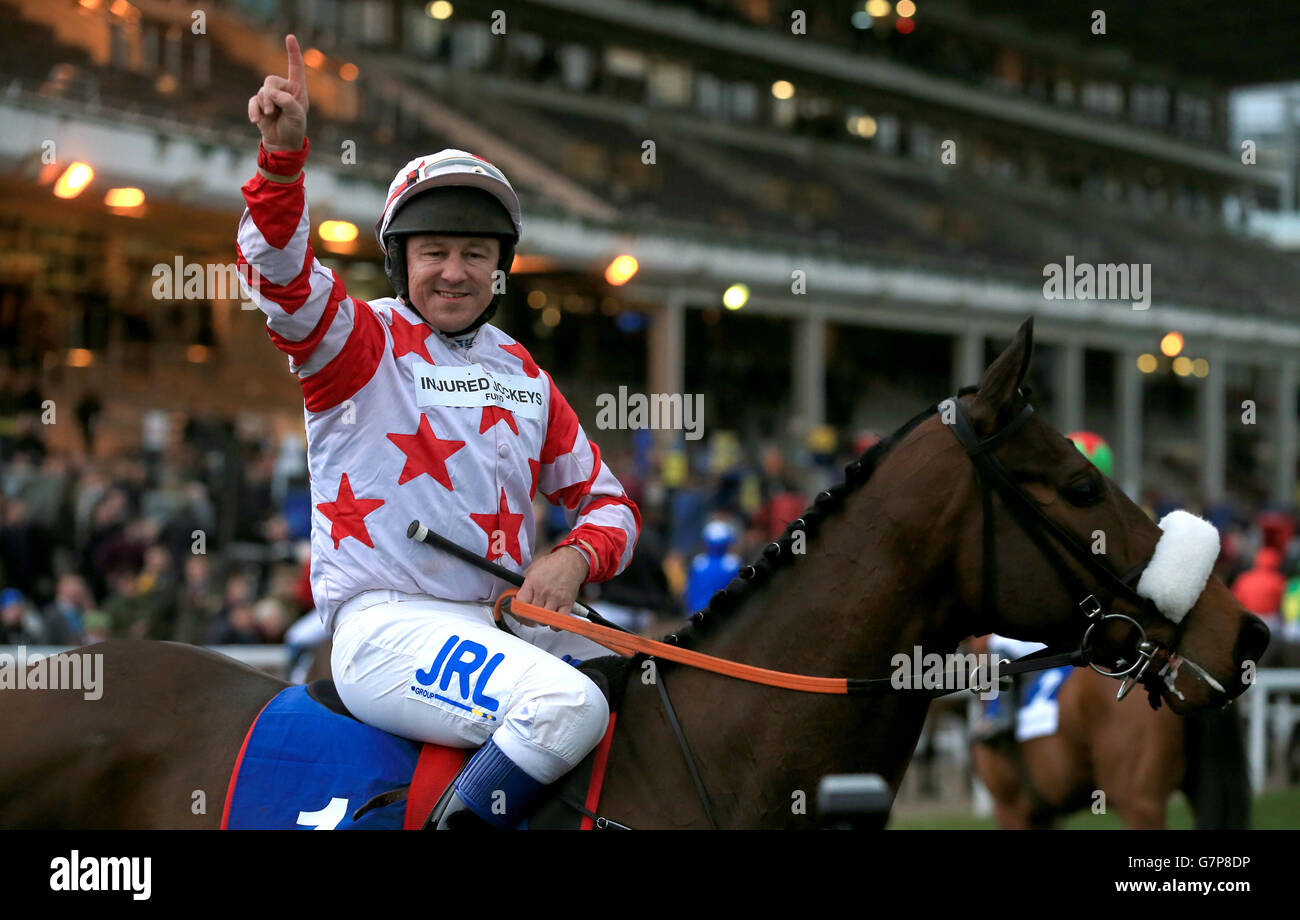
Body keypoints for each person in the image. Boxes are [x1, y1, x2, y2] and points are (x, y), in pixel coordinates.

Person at [239, 36, 640, 829]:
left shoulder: (524, 374)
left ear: (500, 268)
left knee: (651, 686)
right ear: (399, 261)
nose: (453, 271)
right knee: (566, 709)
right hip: (386, 629)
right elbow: (281, 280)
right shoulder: (358, 344)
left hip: (500, 626)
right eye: (433, 252)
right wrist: (282, 165)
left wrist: (569, 558)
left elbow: (610, 507)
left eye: (473, 254)